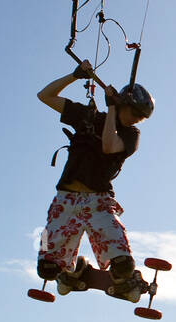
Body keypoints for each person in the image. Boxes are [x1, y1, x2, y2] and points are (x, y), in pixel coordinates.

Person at [35, 59, 154, 301]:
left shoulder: (131, 135)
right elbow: (45, 95)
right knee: (46, 270)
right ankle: (71, 270)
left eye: (141, 118)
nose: (136, 120)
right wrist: (75, 75)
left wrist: (111, 109)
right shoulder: (87, 117)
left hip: (98, 201)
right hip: (65, 199)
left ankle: (123, 280)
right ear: (124, 103)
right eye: (135, 113)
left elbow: (109, 146)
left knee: (122, 264)